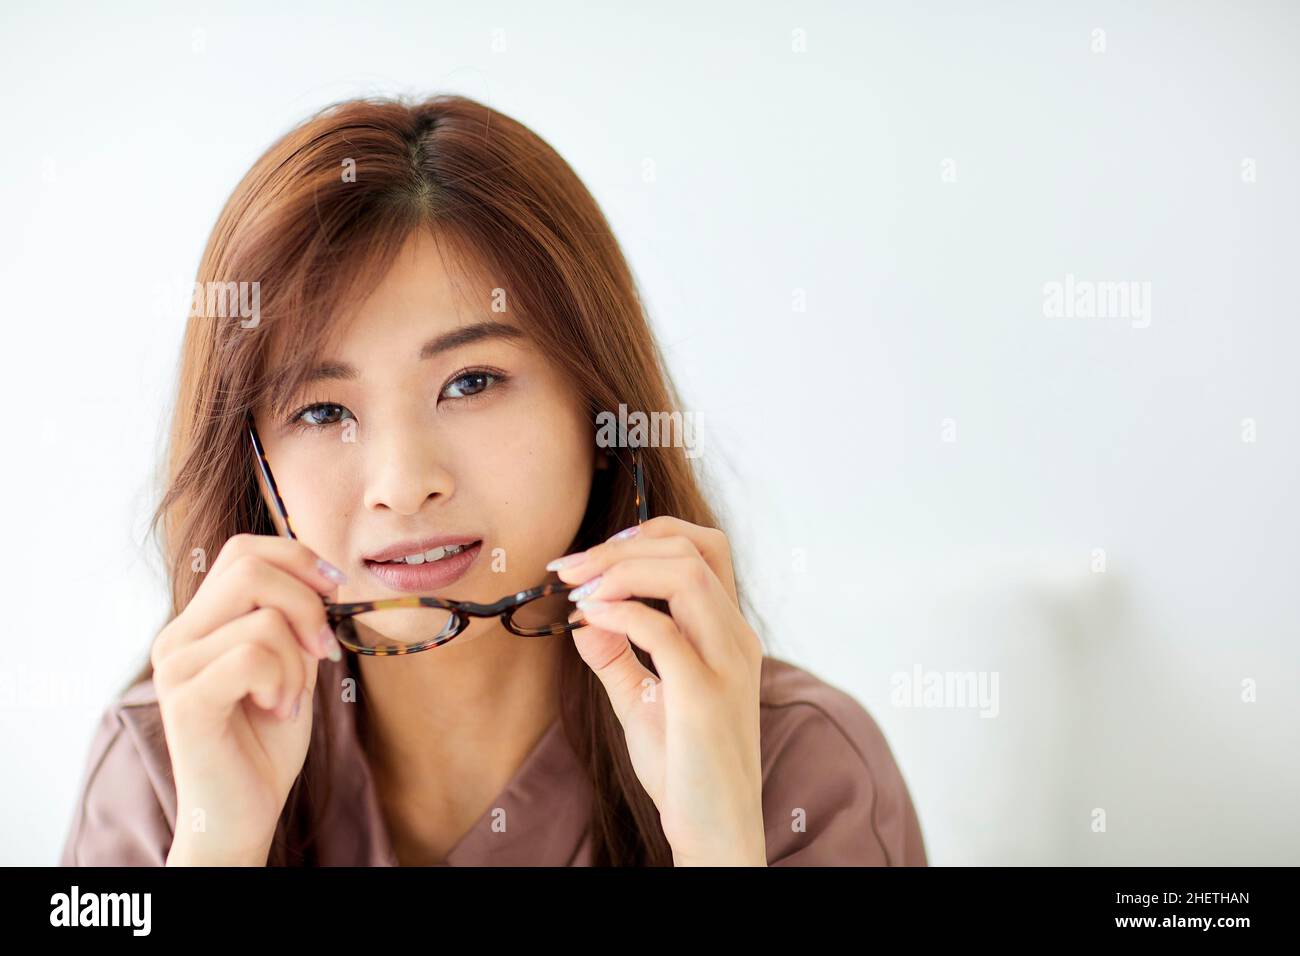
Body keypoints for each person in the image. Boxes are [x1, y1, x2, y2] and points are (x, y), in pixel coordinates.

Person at [59, 95, 926, 867]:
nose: (404, 484)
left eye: (470, 384)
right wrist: (219, 849)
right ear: (252, 460)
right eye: (322, 412)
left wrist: (717, 843)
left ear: (599, 409)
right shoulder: (164, 773)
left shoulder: (802, 768)